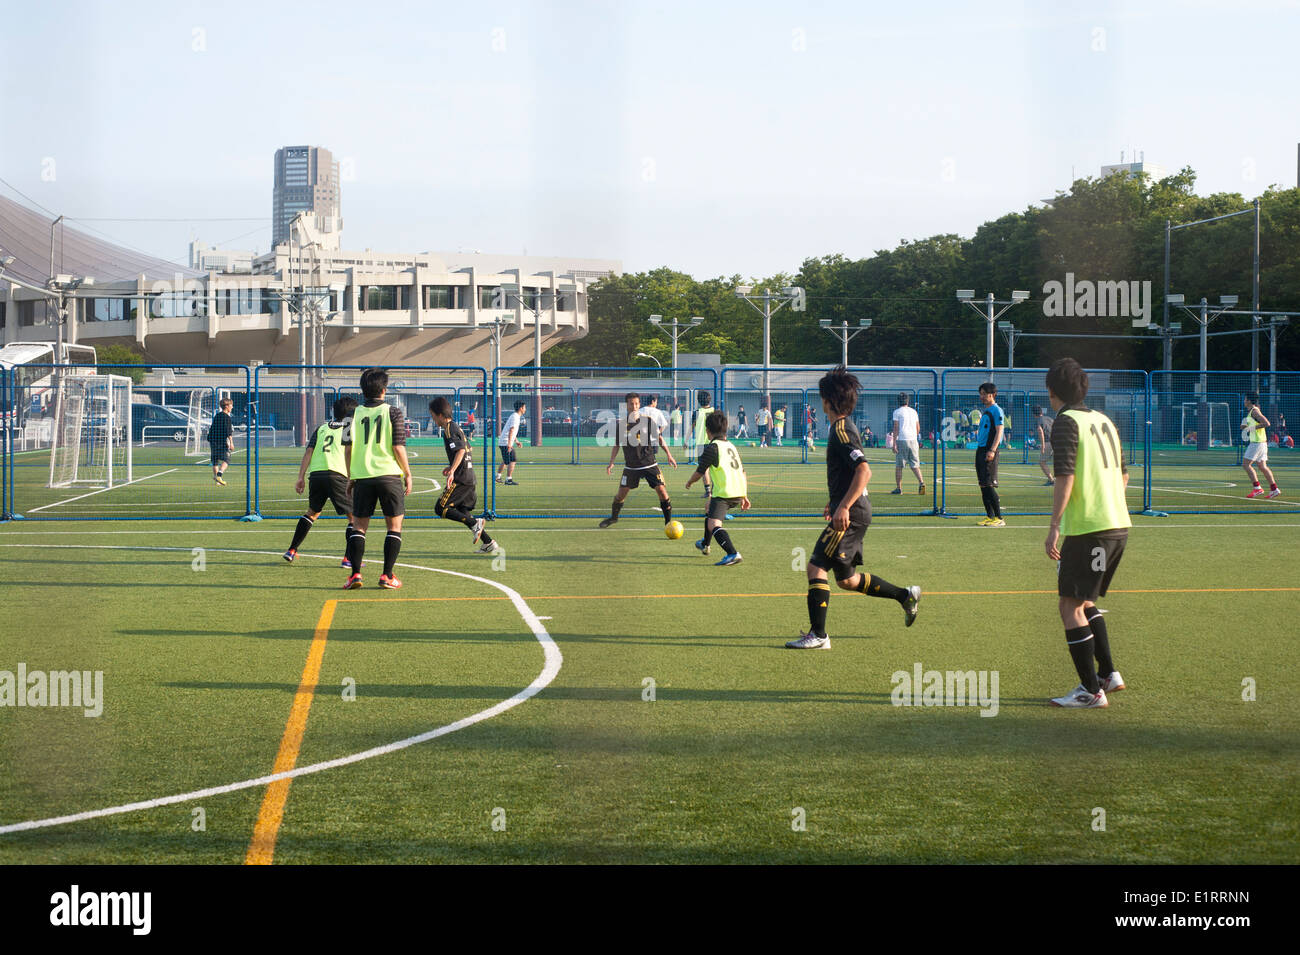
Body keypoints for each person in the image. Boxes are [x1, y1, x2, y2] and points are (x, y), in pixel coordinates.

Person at [787, 366, 920, 650]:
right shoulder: (842, 427)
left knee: (815, 567)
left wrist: (844, 506)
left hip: (853, 511)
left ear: (828, 401)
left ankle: (819, 635)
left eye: (821, 397)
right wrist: (835, 501)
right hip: (854, 508)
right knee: (847, 580)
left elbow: (864, 470)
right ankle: (905, 595)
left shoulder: (841, 429)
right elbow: (850, 473)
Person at [1043, 358, 1130, 708]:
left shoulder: (1066, 422)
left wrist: (1053, 527)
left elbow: (1065, 477)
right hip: (1117, 525)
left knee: (1069, 606)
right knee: (1085, 600)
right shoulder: (1104, 420)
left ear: (1052, 391)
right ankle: (1108, 674)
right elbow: (1123, 476)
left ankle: (1089, 691)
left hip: (1090, 528)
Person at [342, 368, 413, 590]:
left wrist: (350, 475)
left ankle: (355, 575)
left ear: (363, 389)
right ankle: (387, 575)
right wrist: (408, 473)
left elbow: (347, 449)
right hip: (389, 475)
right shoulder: (394, 411)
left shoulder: (349, 415)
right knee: (394, 527)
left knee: (359, 527)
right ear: (384, 390)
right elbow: (398, 446)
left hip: (363, 476)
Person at [284, 396, 357, 565]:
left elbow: (308, 452)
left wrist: (300, 477)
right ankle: (348, 558)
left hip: (316, 475)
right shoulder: (348, 427)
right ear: (351, 414)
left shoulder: (321, 428)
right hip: (337, 474)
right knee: (354, 518)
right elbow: (349, 452)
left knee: (312, 512)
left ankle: (292, 550)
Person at [429, 397, 499, 554]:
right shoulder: (456, 428)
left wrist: (453, 470)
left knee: (440, 508)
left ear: (440, 415)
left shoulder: (449, 429)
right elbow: (468, 448)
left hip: (461, 478)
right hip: (469, 476)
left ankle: (477, 523)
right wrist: (452, 465)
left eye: (432, 415)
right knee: (462, 511)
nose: (433, 419)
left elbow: (461, 450)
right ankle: (488, 542)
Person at [599, 393, 677, 528]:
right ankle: (613, 518)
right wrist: (611, 463)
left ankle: (668, 522)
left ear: (639, 404)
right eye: (631, 403)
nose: (634, 406)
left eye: (636, 403)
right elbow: (616, 445)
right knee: (621, 495)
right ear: (626, 406)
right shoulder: (621, 424)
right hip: (631, 466)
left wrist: (669, 455)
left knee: (662, 491)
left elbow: (659, 438)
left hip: (649, 463)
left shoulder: (648, 420)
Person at [684, 411, 750, 566]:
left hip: (724, 493)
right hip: (737, 491)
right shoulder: (731, 446)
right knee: (709, 508)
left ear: (708, 431)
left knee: (714, 525)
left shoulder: (712, 448)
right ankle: (705, 544)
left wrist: (689, 482)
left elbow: (700, 472)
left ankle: (732, 553)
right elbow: (743, 472)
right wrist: (745, 495)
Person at [974, 383, 1005, 526]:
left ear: (991, 394)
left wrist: (992, 450)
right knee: (983, 484)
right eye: (980, 394)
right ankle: (990, 516)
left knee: (989, 484)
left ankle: (999, 518)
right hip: (980, 450)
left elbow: (999, 432)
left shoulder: (997, 411)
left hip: (989, 450)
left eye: (983, 394)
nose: (981, 397)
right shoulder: (987, 410)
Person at [1241, 393, 1281, 499]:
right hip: (1261, 442)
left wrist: (1251, 428)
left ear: (1249, 401)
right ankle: (1274, 489)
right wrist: (1245, 426)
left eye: (1245, 399)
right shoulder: (1251, 412)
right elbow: (1251, 425)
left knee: (1246, 465)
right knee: (1262, 466)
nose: (1244, 400)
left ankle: (1257, 488)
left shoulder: (1254, 411)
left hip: (1257, 443)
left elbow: (1267, 423)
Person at [890, 391, 925, 496]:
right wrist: (914, 436)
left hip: (902, 440)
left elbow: (896, 428)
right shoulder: (914, 412)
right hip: (913, 440)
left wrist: (894, 443)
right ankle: (921, 483)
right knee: (915, 465)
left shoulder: (897, 412)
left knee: (899, 466)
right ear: (908, 401)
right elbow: (918, 428)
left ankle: (899, 488)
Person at [691, 390, 715, 497]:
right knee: (716, 467)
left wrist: (686, 441)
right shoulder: (715, 411)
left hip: (701, 443)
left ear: (699, 401)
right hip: (714, 442)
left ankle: (708, 491)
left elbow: (692, 427)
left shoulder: (697, 412)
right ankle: (715, 490)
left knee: (704, 468)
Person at [496, 400, 524, 485]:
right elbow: (511, 430)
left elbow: (512, 431)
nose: (525, 409)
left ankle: (497, 477)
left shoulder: (515, 416)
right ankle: (508, 480)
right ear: (521, 408)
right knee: (513, 460)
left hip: (503, 442)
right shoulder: (515, 417)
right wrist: (509, 444)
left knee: (506, 460)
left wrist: (517, 441)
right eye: (524, 407)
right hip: (505, 442)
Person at [207, 397, 234, 485]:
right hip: (220, 441)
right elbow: (228, 431)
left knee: (215, 461)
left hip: (212, 440)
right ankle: (219, 475)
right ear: (226, 406)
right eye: (231, 405)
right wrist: (231, 443)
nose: (232, 407)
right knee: (227, 459)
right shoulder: (227, 417)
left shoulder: (217, 415)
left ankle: (217, 480)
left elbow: (212, 428)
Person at [1034, 405, 1055, 485]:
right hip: (1056, 442)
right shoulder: (1049, 418)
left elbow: (1040, 431)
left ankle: (1051, 480)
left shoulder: (1038, 420)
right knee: (1056, 462)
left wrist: (1043, 446)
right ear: (1041, 412)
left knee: (1042, 462)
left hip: (1047, 442)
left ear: (1034, 414)